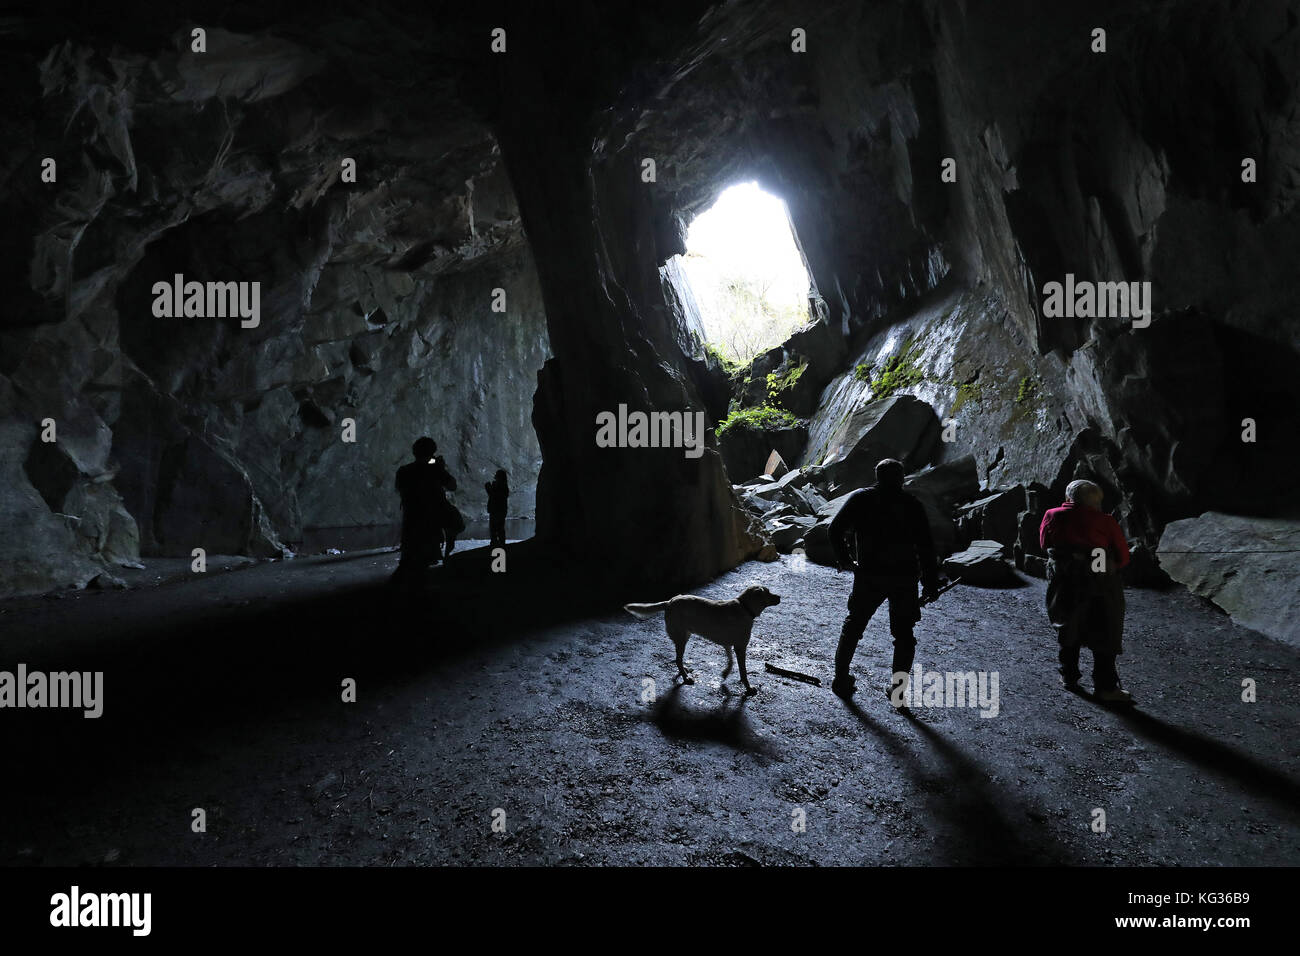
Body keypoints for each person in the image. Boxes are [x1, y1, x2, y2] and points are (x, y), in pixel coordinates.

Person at [828, 458, 939, 703]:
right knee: (904, 634)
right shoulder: (911, 504)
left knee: (854, 625)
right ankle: (898, 692)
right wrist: (931, 583)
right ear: (901, 478)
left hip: (870, 575)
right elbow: (926, 547)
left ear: (877, 476)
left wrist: (845, 560)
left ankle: (841, 679)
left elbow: (834, 530)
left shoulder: (861, 499)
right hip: (904, 577)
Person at [1039, 479, 1133, 704]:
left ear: (1069, 497)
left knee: (1068, 626)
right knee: (1105, 630)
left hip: (1065, 580)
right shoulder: (1106, 521)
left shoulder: (1052, 515)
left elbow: (1044, 544)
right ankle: (1106, 687)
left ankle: (1069, 676)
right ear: (1096, 501)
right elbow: (1123, 557)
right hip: (1099, 580)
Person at [394, 437, 456, 576]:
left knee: (408, 563)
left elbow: (401, 490)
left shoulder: (404, 470)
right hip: (430, 524)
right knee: (423, 565)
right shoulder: (435, 470)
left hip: (411, 524)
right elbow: (452, 485)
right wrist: (440, 468)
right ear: (432, 452)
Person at [485, 469, 509, 548]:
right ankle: (500, 546)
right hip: (499, 511)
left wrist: (489, 489)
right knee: (498, 530)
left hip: (496, 511)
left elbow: (495, 497)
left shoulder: (501, 486)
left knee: (495, 530)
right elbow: (494, 496)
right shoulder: (503, 485)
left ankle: (496, 546)